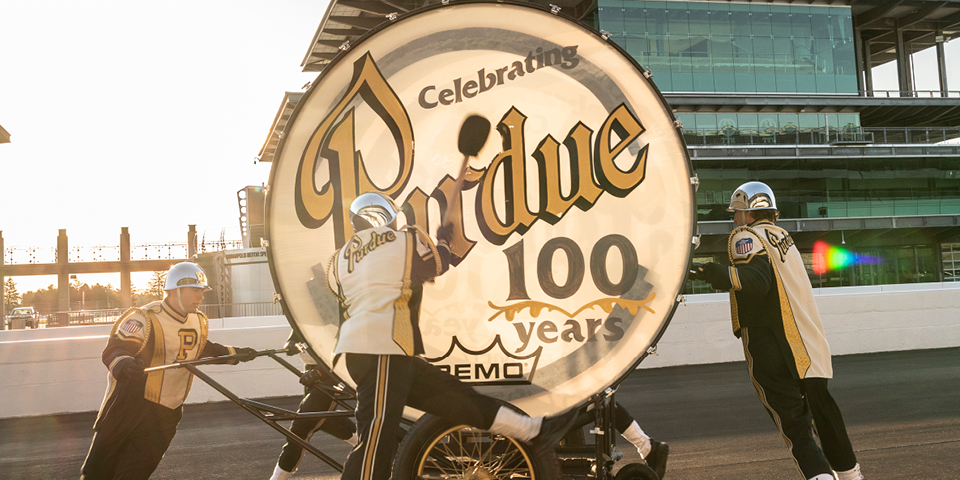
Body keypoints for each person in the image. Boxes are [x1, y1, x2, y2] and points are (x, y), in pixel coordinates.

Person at [327, 192, 580, 480]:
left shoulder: (339, 257)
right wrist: (443, 240)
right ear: (387, 217)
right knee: (375, 441)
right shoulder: (405, 240)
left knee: (455, 398)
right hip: (383, 349)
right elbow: (436, 265)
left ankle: (533, 430)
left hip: (371, 351)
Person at [691, 182, 863, 480]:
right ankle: (851, 476)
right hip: (810, 343)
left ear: (748, 214)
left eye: (736, 213)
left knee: (795, 427)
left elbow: (757, 281)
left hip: (772, 342)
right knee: (825, 417)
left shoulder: (746, 235)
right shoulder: (784, 237)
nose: (734, 219)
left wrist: (711, 272)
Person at [80, 262, 259, 480]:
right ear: (175, 290)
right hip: (127, 409)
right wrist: (125, 364)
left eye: (202, 291)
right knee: (97, 473)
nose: (201, 296)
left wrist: (236, 354)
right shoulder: (144, 317)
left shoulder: (197, 320)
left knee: (134, 475)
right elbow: (116, 348)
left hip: (165, 415)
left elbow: (202, 349)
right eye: (196, 290)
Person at [269, 331, 358, 480]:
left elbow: (350, 340)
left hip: (332, 373)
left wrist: (320, 372)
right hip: (312, 369)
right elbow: (301, 326)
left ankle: (277, 478)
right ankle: (373, 444)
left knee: (301, 426)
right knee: (324, 419)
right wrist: (293, 340)